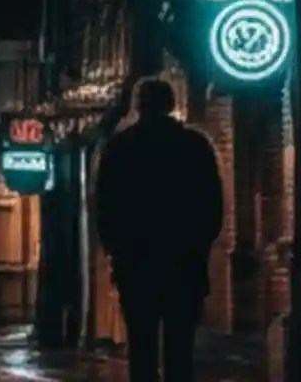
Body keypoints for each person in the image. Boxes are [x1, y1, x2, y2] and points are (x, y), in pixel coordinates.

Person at [95, 78, 224, 382]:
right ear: (170, 104)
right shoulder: (194, 146)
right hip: (184, 262)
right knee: (180, 349)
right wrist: (199, 245)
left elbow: (105, 205)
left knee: (141, 347)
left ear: (139, 106)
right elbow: (212, 205)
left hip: (136, 264)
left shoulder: (120, 147)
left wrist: (116, 249)